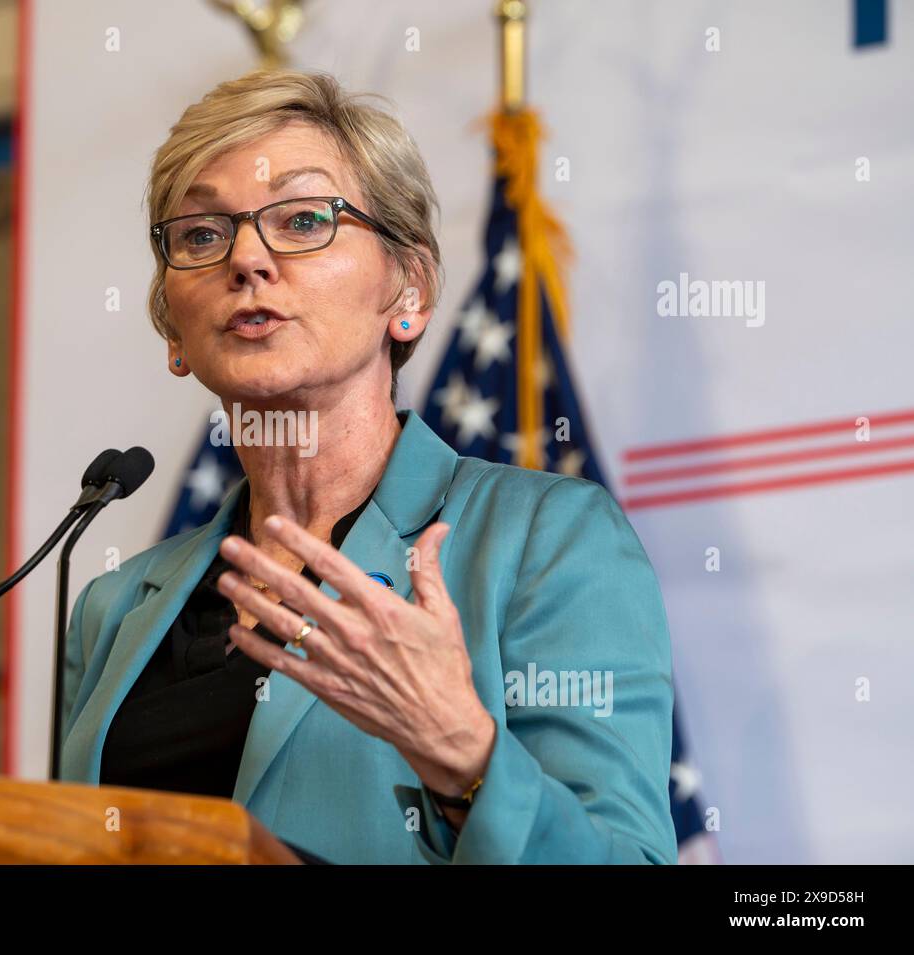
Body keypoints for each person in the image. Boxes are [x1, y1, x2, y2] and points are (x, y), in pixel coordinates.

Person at [57, 69, 677, 865]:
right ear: (171, 328)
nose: (246, 256)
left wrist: (465, 757)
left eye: (305, 218)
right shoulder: (112, 608)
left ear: (408, 289)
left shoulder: (545, 542)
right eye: (203, 234)